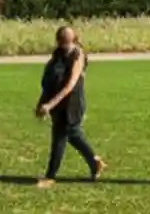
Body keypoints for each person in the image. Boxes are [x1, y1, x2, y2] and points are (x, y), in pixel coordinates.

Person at [35, 25, 105, 187]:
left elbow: (70, 85)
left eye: (68, 41)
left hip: (72, 104)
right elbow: (49, 82)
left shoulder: (77, 55)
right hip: (58, 105)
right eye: (62, 42)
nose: (65, 45)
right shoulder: (57, 55)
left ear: (74, 39)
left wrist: (50, 104)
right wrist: (42, 103)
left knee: (62, 136)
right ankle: (95, 163)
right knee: (71, 135)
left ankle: (50, 176)